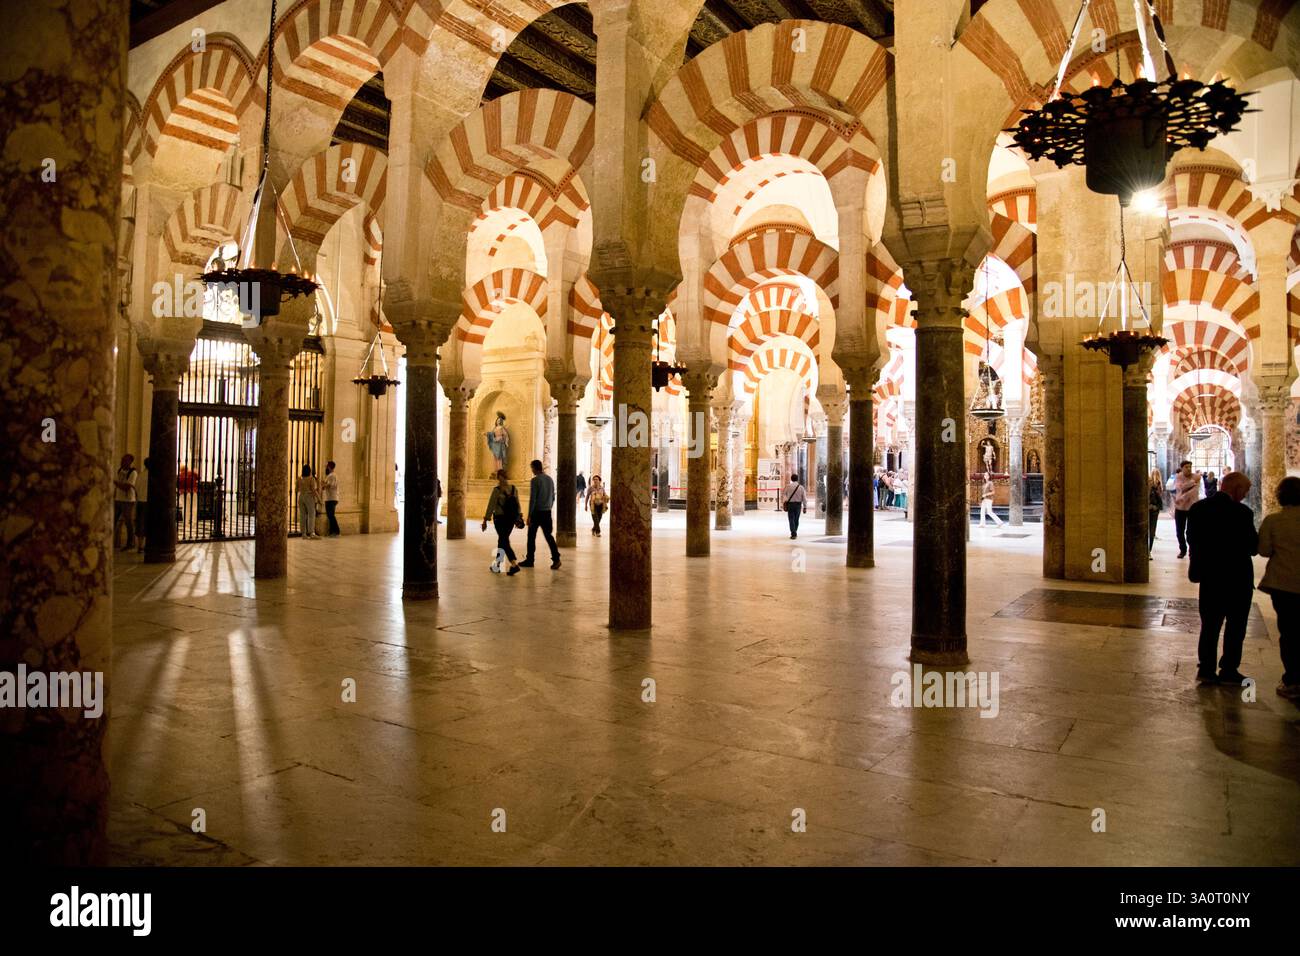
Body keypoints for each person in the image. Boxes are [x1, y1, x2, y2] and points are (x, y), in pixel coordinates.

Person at [1186, 471, 1257, 686]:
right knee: (1236, 625)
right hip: (1237, 578)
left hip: (1210, 577)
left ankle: (1206, 668)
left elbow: (1192, 540)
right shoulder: (1242, 512)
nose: (1245, 495)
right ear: (1236, 489)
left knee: (1210, 624)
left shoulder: (1199, 509)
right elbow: (1253, 547)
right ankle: (1228, 669)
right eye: (1244, 490)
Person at [1256, 476, 1300, 699]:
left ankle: (1292, 680)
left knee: (1290, 632)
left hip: (1283, 584)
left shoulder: (1273, 521)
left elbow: (1263, 551)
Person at [520, 459, 561, 570]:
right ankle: (556, 558)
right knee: (549, 536)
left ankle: (530, 560)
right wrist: (548, 507)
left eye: (531, 468)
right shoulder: (550, 479)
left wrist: (529, 515)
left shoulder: (535, 480)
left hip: (537, 513)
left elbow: (533, 499)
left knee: (531, 537)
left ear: (534, 468)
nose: (531, 470)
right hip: (547, 512)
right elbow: (553, 497)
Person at [482, 468, 523, 575]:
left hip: (500, 519)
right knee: (502, 540)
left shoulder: (497, 490)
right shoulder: (514, 489)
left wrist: (485, 520)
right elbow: (518, 505)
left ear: (499, 477)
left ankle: (514, 564)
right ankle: (497, 565)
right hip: (510, 519)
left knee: (504, 541)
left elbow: (491, 506)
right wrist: (518, 517)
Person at [1172, 460, 1201, 558]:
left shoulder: (1196, 477)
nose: (1189, 469)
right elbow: (1180, 487)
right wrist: (1191, 483)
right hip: (1180, 508)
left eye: (1190, 467)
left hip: (1192, 507)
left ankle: (1192, 550)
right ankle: (1182, 550)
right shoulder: (1178, 476)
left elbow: (1194, 491)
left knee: (1191, 531)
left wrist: (1182, 497)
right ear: (1182, 468)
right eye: (1186, 467)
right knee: (1179, 531)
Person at [113, 453, 138, 552]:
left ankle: (130, 543)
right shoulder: (119, 470)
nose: (122, 462)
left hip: (128, 501)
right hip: (118, 499)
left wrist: (115, 483)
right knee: (113, 521)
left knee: (129, 522)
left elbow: (126, 487)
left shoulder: (133, 472)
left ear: (130, 462)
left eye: (124, 460)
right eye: (122, 460)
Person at [296, 465, 321, 540]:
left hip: (301, 497)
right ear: (309, 471)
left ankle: (303, 534)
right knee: (311, 515)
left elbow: (296, 489)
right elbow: (313, 490)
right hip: (309, 497)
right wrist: (319, 499)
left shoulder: (299, 479)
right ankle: (311, 533)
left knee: (302, 515)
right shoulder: (311, 479)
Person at [782, 471, 807, 539]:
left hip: (790, 504)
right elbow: (804, 498)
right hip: (798, 505)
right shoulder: (801, 487)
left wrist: (785, 501)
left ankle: (793, 532)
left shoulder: (788, 486)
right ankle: (794, 531)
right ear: (797, 479)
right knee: (796, 519)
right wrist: (805, 507)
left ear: (791, 479)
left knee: (791, 519)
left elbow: (784, 494)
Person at [1148, 468, 1165, 558]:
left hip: (1152, 509)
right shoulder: (1158, 484)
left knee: (1149, 531)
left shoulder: (1153, 484)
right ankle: (1148, 551)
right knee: (1151, 530)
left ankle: (1148, 551)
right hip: (1154, 509)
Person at [322, 461, 341, 537]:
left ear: (329, 467)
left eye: (326, 466)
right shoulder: (330, 476)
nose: (325, 467)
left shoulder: (332, 476)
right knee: (330, 515)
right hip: (330, 498)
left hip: (331, 498)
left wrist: (323, 484)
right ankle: (331, 532)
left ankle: (336, 531)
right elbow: (326, 486)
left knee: (331, 515)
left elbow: (330, 485)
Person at [135, 457, 150, 553]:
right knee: (149, 524)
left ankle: (140, 545)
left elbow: (135, 488)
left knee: (140, 524)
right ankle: (147, 545)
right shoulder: (153, 476)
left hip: (140, 502)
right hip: (149, 503)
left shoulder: (140, 475)